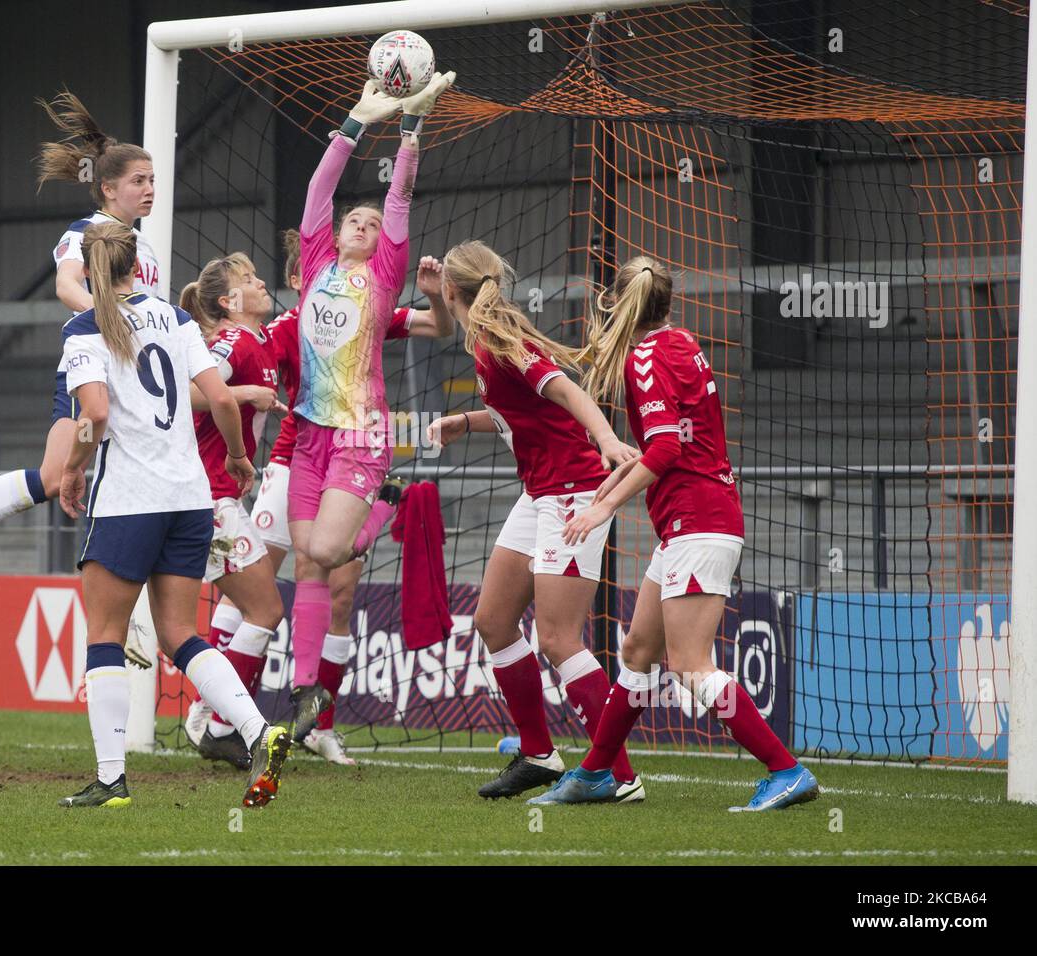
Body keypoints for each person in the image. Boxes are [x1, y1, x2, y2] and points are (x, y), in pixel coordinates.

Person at [528, 256, 819, 810]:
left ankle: (786, 770)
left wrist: (600, 507)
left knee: (689, 665)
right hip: (696, 518)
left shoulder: (644, 357)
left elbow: (666, 449)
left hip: (697, 519)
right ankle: (595, 774)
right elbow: (671, 439)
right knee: (637, 650)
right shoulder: (681, 340)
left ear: (616, 303)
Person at [194, 230, 455, 766]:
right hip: (297, 465)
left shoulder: (367, 309)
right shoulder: (282, 329)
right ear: (302, 280)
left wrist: (432, 293)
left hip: (352, 459)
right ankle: (212, 711)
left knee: (339, 589)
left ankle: (316, 723)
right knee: (251, 591)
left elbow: (438, 326)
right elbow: (230, 371)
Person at [54, 220, 291, 809]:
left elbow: (97, 416)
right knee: (181, 633)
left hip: (130, 500)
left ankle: (111, 780)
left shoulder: (85, 328)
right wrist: (238, 457)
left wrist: (75, 463)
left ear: (90, 270)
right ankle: (259, 731)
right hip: (190, 498)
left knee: (105, 634)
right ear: (139, 264)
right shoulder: (176, 317)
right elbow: (218, 396)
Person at [0, 91, 161, 586]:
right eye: (139, 180)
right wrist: (111, 317)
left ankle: (135, 618)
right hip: (91, 370)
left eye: (152, 179)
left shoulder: (144, 245)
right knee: (53, 478)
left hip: (133, 377)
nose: (150, 188)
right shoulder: (87, 231)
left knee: (139, 480)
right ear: (108, 188)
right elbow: (67, 284)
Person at [425, 240, 643, 801]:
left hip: (572, 490)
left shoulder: (501, 342)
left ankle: (617, 777)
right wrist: (465, 422)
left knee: (557, 637)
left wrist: (607, 439)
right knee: (494, 622)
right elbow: (518, 411)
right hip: (540, 492)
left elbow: (565, 390)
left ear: (453, 291)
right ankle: (540, 755)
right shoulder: (485, 338)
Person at [285, 71, 455, 740]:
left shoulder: (384, 274)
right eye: (350, 219)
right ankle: (304, 695)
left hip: (359, 435)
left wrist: (411, 126)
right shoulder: (317, 258)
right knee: (307, 561)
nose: (358, 222)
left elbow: (400, 196)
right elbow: (318, 190)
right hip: (307, 437)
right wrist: (356, 119)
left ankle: (379, 504)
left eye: (366, 220)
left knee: (325, 552)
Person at [175, 253, 288, 770]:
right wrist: (244, 393)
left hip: (219, 494)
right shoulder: (231, 342)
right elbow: (188, 391)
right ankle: (219, 724)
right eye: (248, 280)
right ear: (228, 302)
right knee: (265, 610)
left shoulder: (258, 342)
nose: (261, 282)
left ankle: (217, 720)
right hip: (210, 496)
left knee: (257, 609)